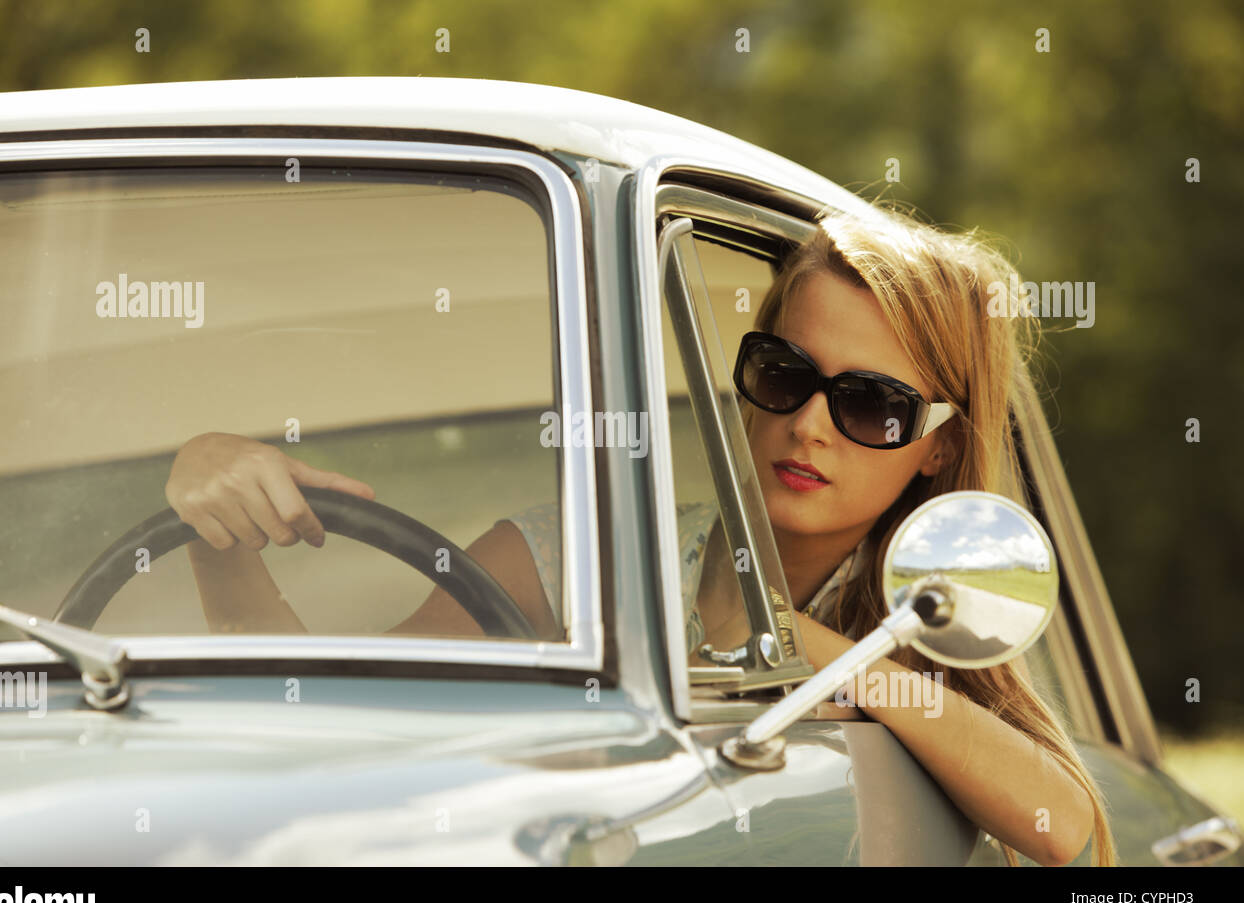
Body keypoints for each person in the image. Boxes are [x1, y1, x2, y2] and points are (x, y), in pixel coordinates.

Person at [164, 204, 1114, 867]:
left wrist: (825, 654)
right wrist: (220, 528)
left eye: (872, 404)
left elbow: (1070, 831)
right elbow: (328, 725)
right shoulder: (568, 557)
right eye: (784, 372)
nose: (811, 425)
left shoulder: (938, 621)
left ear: (939, 451)